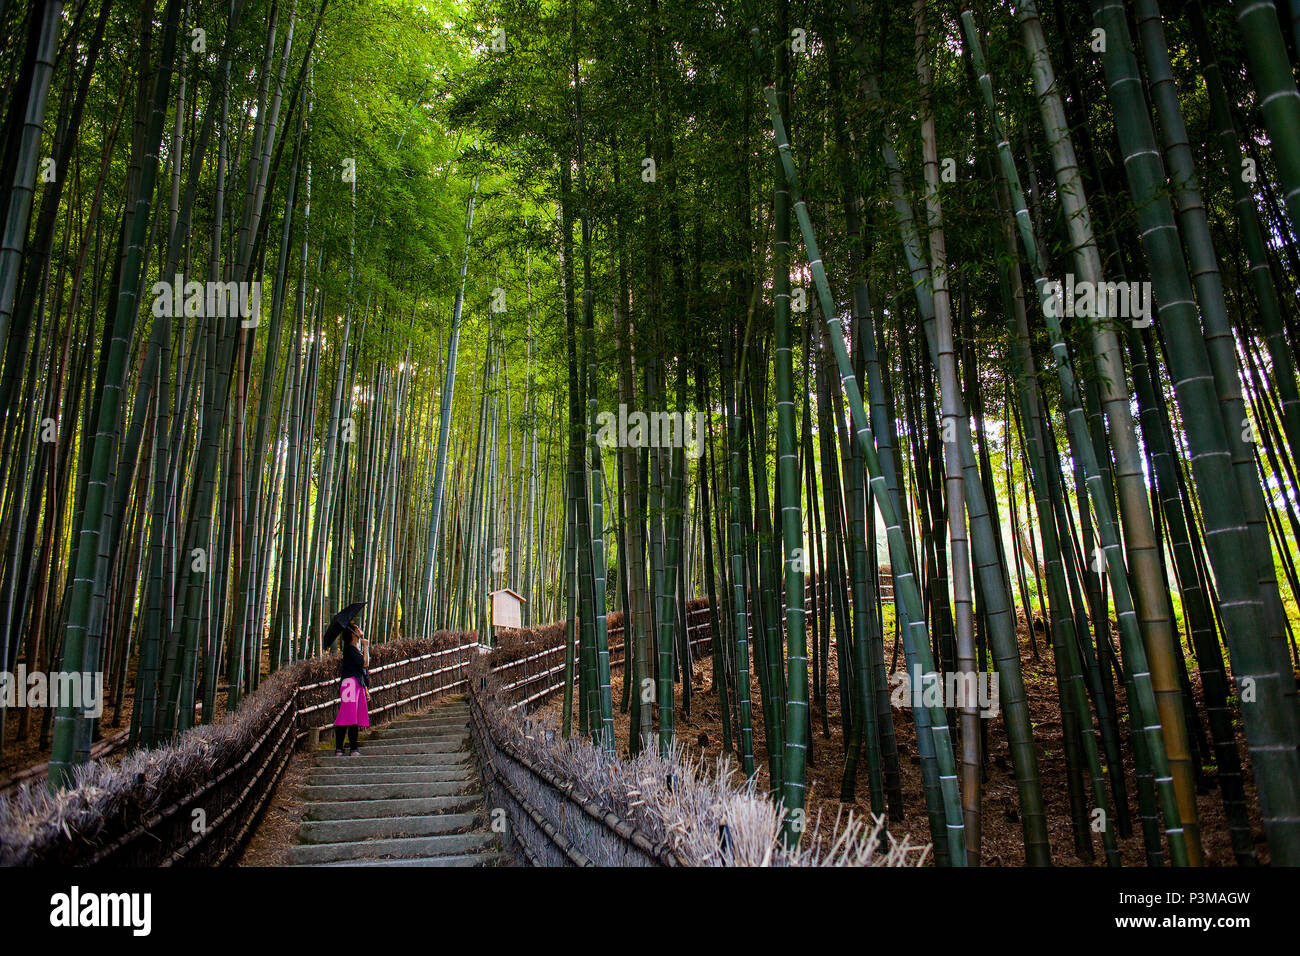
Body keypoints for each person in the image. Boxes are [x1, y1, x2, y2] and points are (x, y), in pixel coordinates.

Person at [333, 624, 370, 755]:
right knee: (347, 715)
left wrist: (365, 689)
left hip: (356, 684)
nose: (361, 630)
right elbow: (365, 663)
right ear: (353, 634)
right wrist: (366, 646)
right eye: (358, 629)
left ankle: (350, 748)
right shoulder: (349, 649)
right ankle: (343, 748)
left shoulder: (355, 649)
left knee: (354, 715)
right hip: (349, 684)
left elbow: (362, 670)